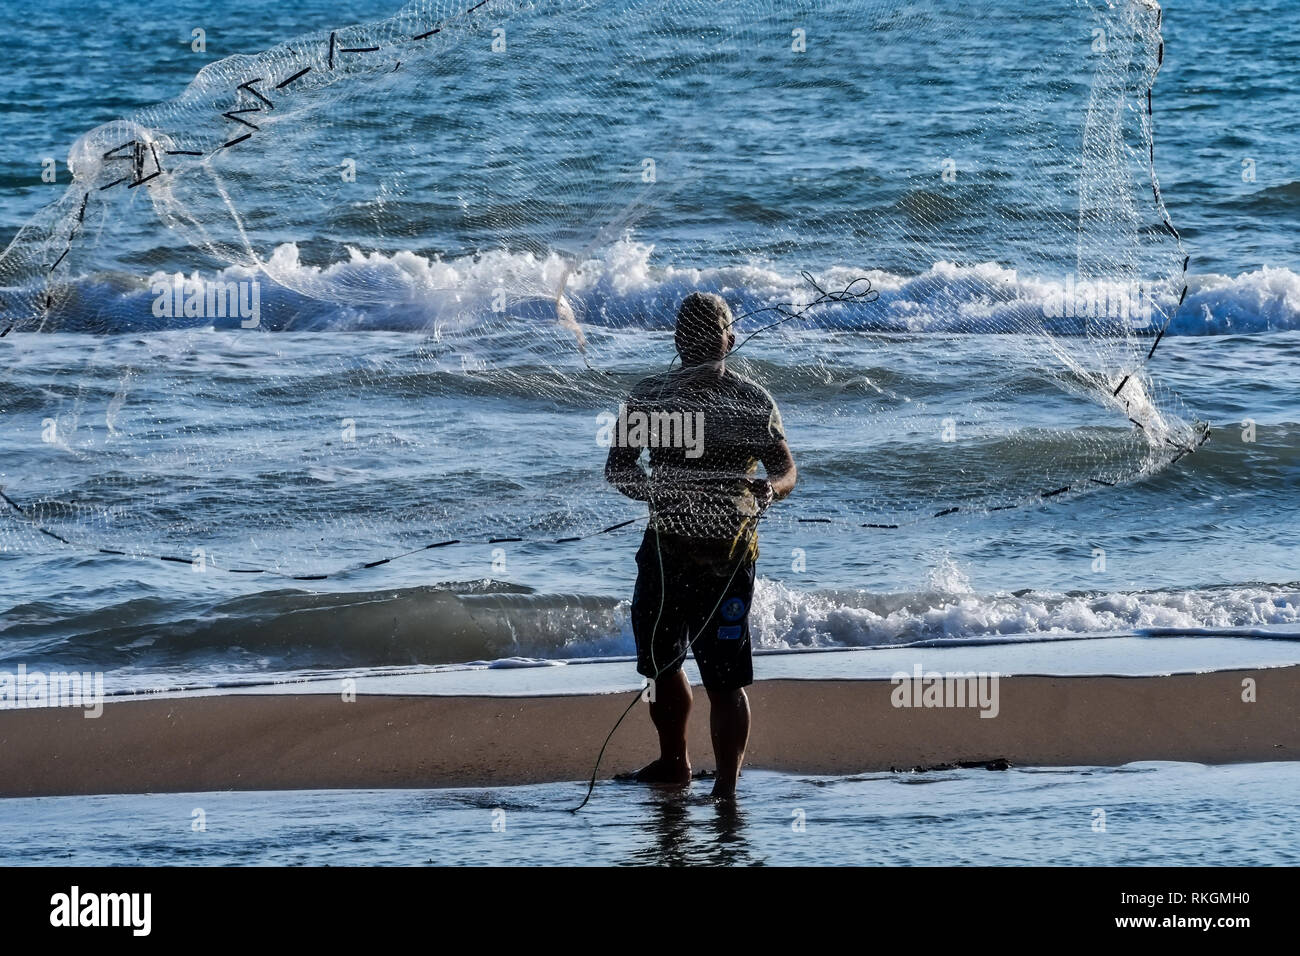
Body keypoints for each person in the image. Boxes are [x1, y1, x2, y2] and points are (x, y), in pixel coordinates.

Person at [605, 291, 796, 799]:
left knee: (725, 679)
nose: (702, 346)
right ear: (677, 341)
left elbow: (785, 471)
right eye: (693, 338)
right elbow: (618, 469)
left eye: (711, 337)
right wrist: (649, 489)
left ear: (728, 341)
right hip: (664, 557)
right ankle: (674, 763)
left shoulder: (752, 401)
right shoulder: (650, 396)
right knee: (660, 666)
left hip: (729, 560)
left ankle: (727, 787)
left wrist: (767, 491)